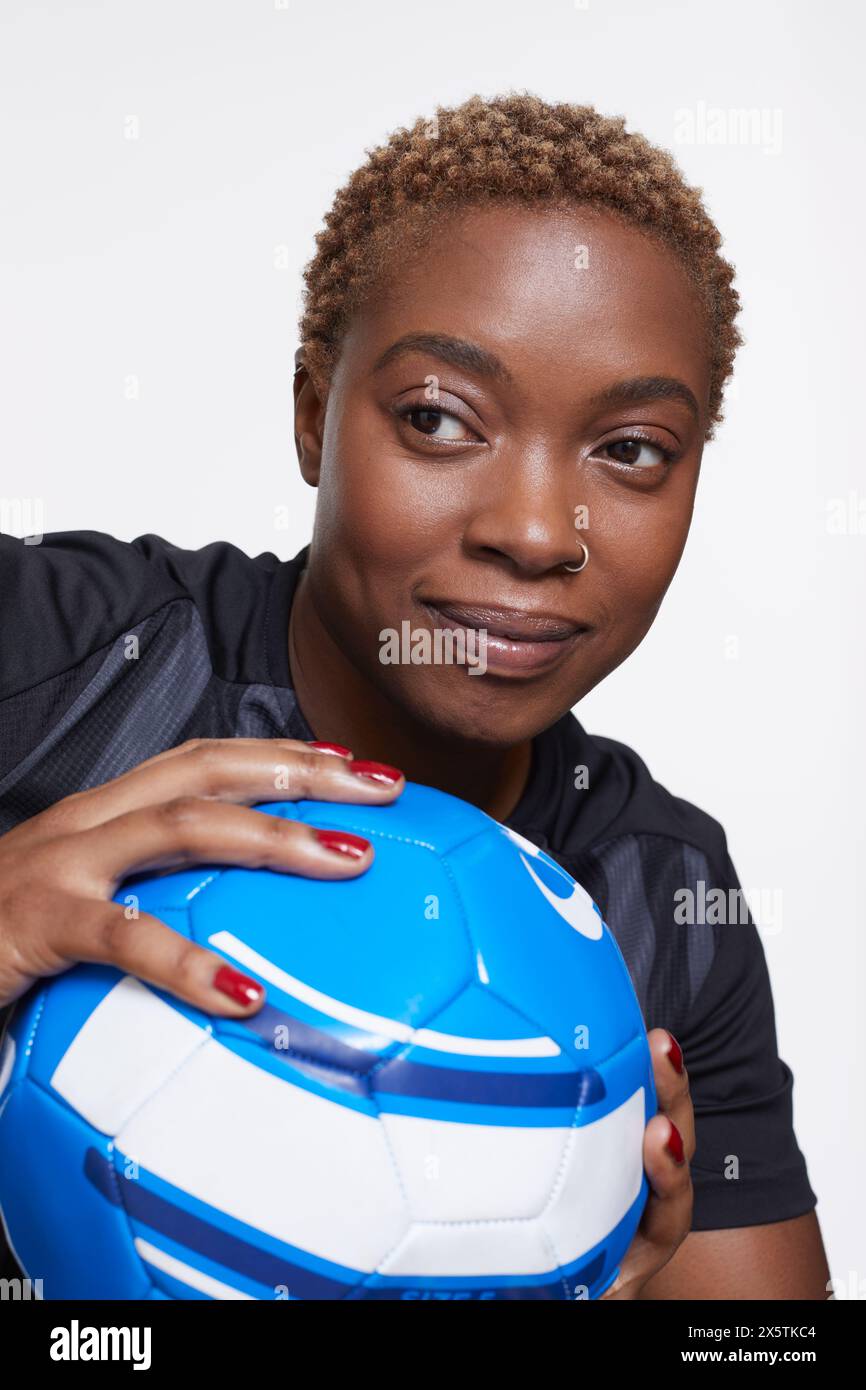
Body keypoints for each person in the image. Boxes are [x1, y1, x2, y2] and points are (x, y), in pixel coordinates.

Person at [0, 93, 829, 1298]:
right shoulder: (58, 659)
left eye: (632, 449)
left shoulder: (658, 899)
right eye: (439, 419)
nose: (539, 532)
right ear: (310, 414)